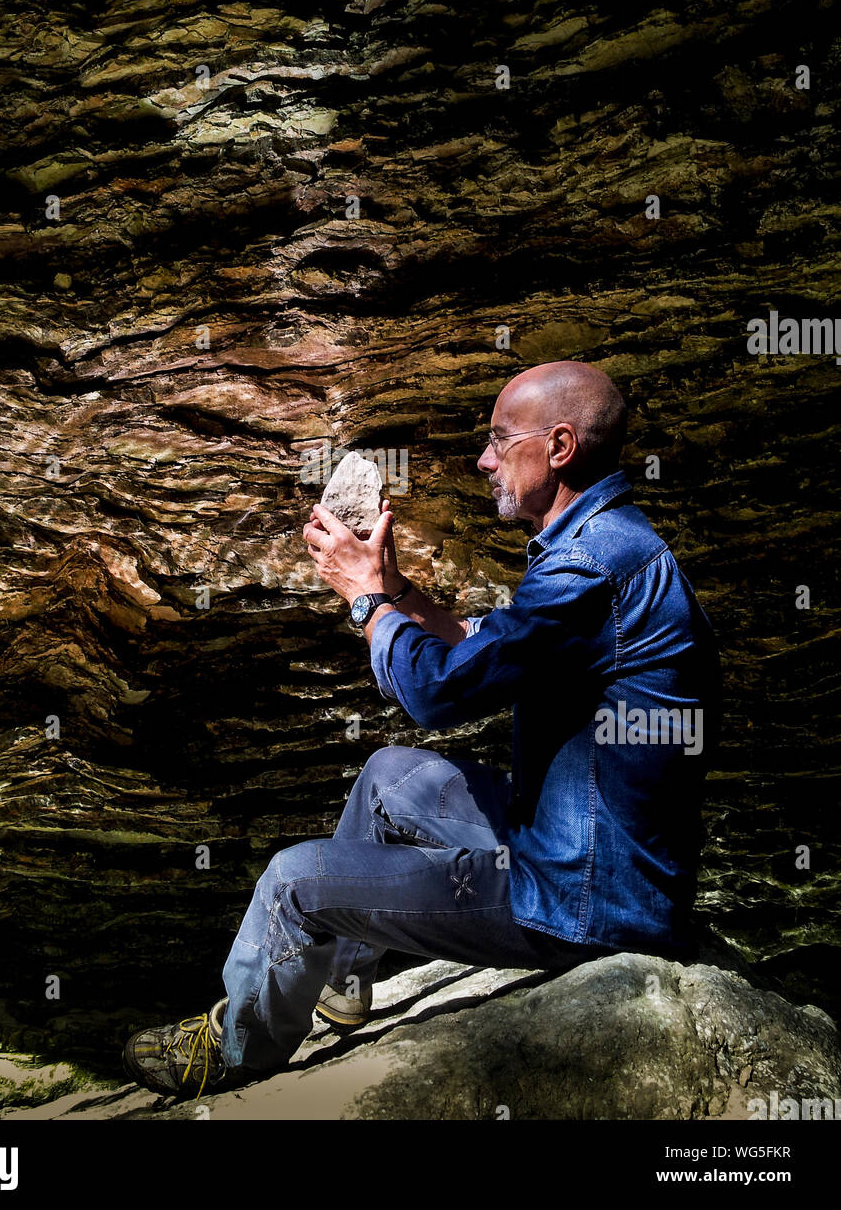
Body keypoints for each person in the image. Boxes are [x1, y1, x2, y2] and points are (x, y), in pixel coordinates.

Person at [122, 360, 721, 1099]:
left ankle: (242, 1049)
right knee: (389, 779)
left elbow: (440, 692)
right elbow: (484, 644)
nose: (484, 459)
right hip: (576, 850)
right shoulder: (610, 542)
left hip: (581, 895)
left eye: (501, 441)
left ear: (560, 446)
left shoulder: (590, 568)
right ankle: (342, 983)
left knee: (292, 883)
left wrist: (366, 602)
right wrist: (397, 589)